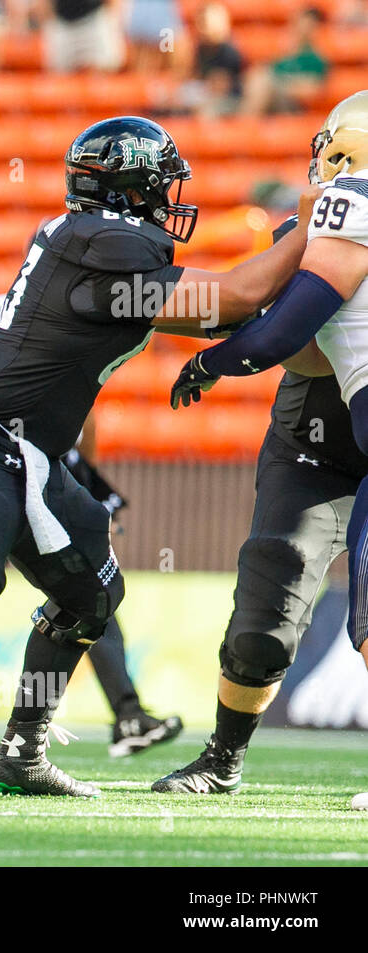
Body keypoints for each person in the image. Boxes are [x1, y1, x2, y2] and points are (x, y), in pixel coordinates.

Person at [0, 115, 317, 797]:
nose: (170, 199)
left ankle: (22, 751)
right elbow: (236, 300)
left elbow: (228, 311)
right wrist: (317, 224)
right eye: (161, 186)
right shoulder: (105, 243)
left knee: (91, 594)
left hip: (26, 451)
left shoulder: (95, 240)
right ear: (131, 189)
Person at [162, 91, 368, 790]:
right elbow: (301, 350)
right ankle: (224, 759)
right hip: (322, 435)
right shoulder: (318, 225)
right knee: (265, 611)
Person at [0, 291, 182, 757]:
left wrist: (86, 484)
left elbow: (87, 406)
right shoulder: (1, 311)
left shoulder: (85, 313)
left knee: (91, 589)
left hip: (51, 464)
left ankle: (126, 713)